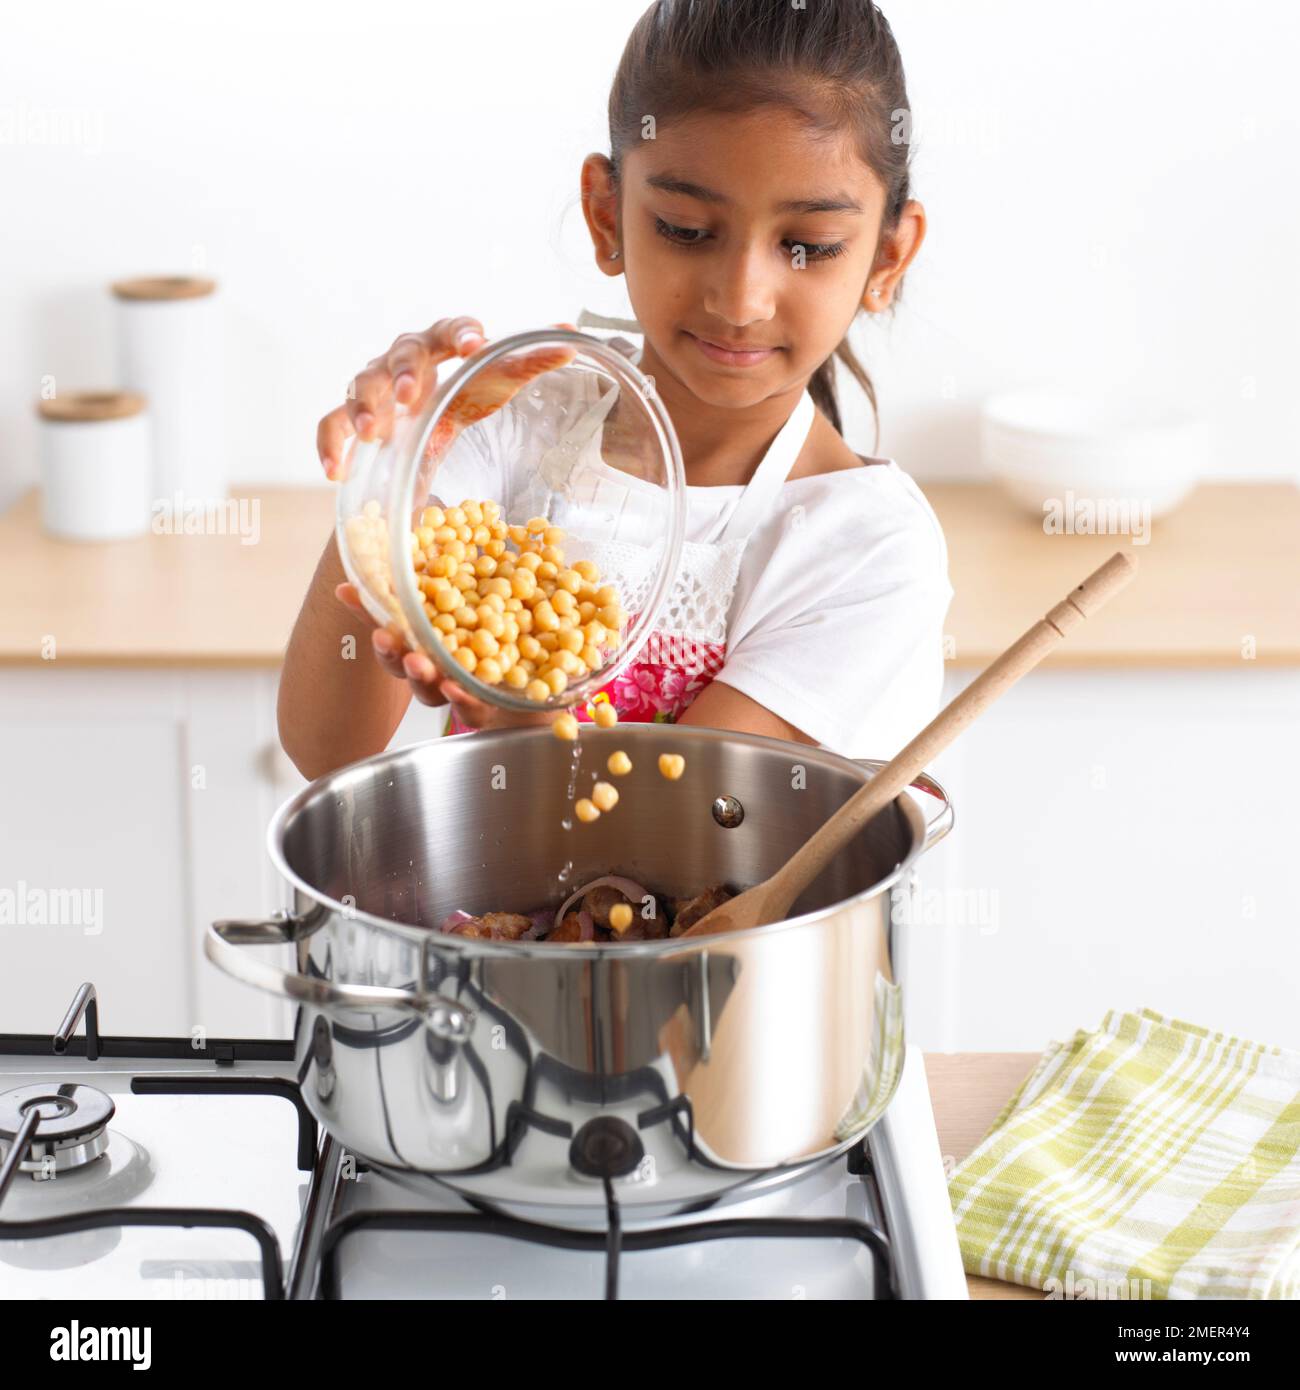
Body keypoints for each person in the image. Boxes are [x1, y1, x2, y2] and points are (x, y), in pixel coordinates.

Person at [279, 0, 952, 780]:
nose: (741, 299)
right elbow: (325, 750)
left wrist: (521, 716)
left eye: (807, 246)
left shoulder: (864, 550)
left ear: (887, 258)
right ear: (607, 217)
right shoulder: (509, 425)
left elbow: (684, 852)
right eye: (687, 230)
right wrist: (392, 473)